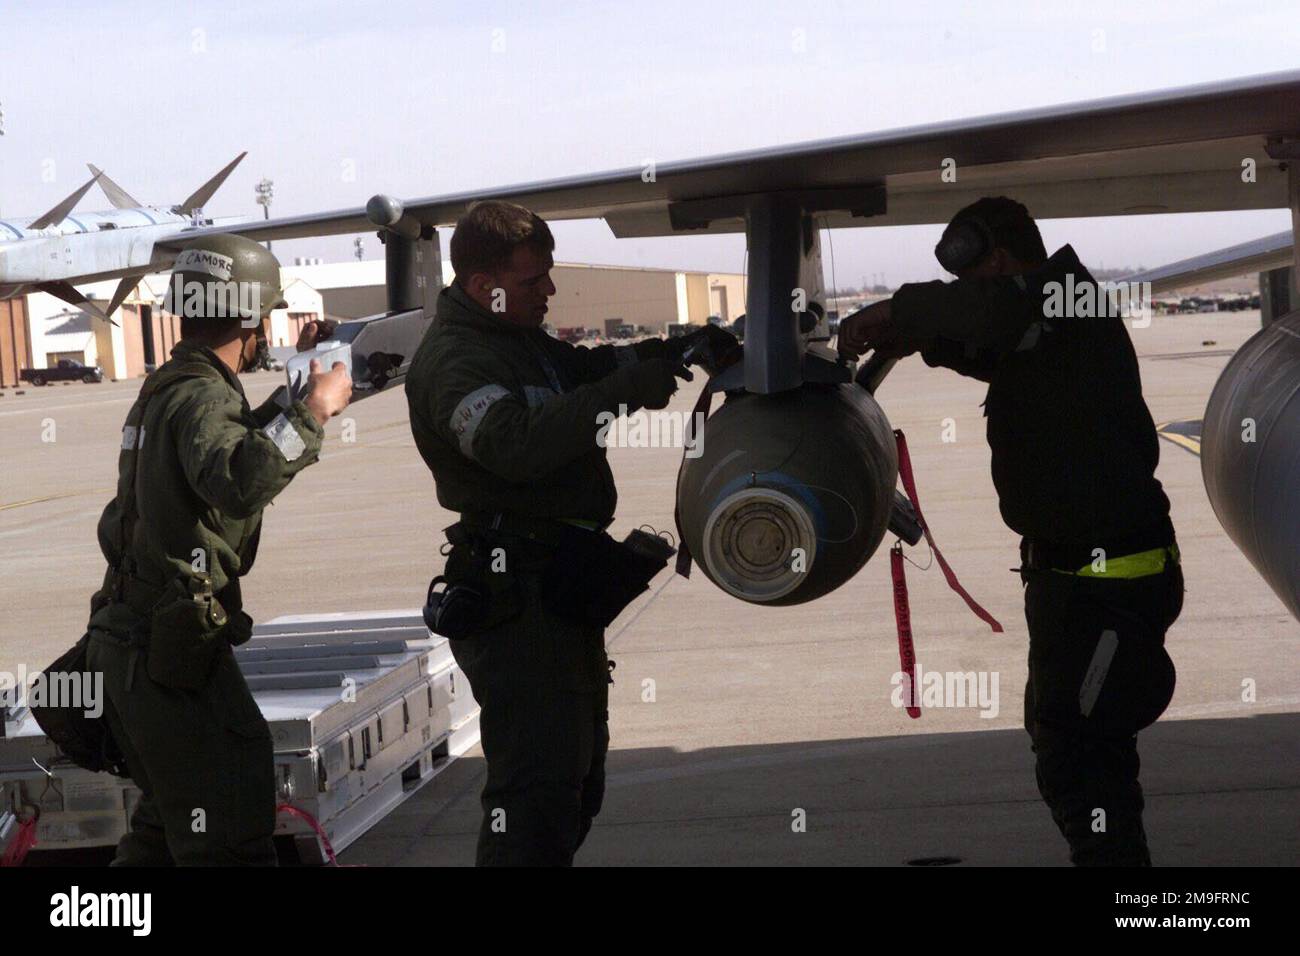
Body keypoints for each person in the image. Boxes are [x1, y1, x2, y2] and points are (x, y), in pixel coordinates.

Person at [839, 197, 1182, 866]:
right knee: (1079, 753)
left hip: (1107, 588)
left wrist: (897, 311)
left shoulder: (1068, 299)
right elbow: (995, 344)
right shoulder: (1044, 332)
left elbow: (995, 312)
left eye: (974, 279)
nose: (971, 293)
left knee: (1083, 765)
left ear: (996, 261)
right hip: (1075, 585)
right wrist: (922, 343)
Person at [406, 200, 736, 866]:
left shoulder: (519, 342)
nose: (549, 292)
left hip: (556, 595)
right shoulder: (456, 361)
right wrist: (624, 392)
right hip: (517, 604)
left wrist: (668, 351)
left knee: (573, 789)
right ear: (482, 286)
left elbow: (585, 371)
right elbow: (514, 445)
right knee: (532, 802)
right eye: (534, 281)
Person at [84, 234, 352, 865]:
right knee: (229, 821)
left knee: (166, 827)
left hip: (128, 642)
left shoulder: (174, 384)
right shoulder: (203, 394)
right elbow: (237, 480)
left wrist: (294, 402)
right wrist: (311, 413)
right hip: (168, 650)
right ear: (252, 318)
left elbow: (223, 446)